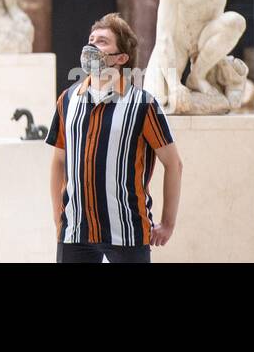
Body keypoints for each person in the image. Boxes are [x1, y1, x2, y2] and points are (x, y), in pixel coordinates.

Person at [46, 13, 183, 263]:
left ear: (121, 58)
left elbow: (173, 164)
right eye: (91, 39)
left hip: (128, 230)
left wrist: (168, 223)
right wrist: (58, 218)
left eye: (102, 41)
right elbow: (58, 161)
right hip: (75, 231)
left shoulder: (143, 104)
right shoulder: (67, 99)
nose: (91, 45)